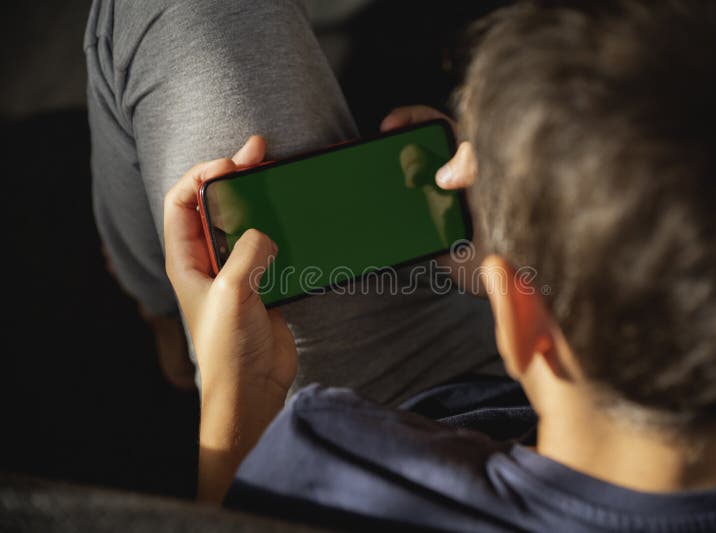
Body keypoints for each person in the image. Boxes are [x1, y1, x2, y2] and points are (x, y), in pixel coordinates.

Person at [162, 1, 716, 531]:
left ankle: (155, 309)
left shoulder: (321, 465)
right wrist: (531, 247)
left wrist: (234, 388)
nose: (465, 166)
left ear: (525, 319)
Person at [84, 0, 499, 399]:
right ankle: (157, 293)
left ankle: (160, 299)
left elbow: (252, 476)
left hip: (356, 393)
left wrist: (240, 382)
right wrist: (511, 270)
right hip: (485, 337)